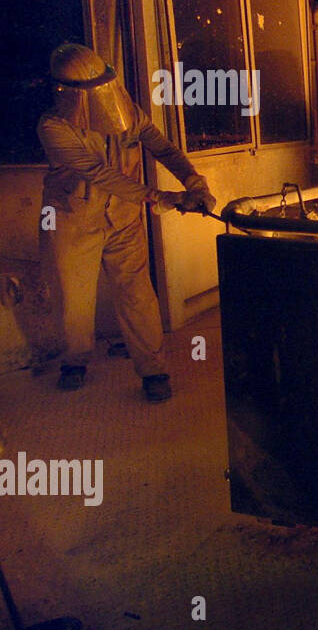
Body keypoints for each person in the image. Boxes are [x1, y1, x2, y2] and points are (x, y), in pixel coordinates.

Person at [37, 43, 216, 403]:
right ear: (68, 94)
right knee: (72, 299)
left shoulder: (127, 114)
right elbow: (97, 172)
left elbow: (163, 148)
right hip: (71, 222)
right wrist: (160, 197)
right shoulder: (53, 127)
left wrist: (193, 181)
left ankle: (154, 370)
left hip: (122, 217)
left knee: (137, 295)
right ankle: (74, 362)